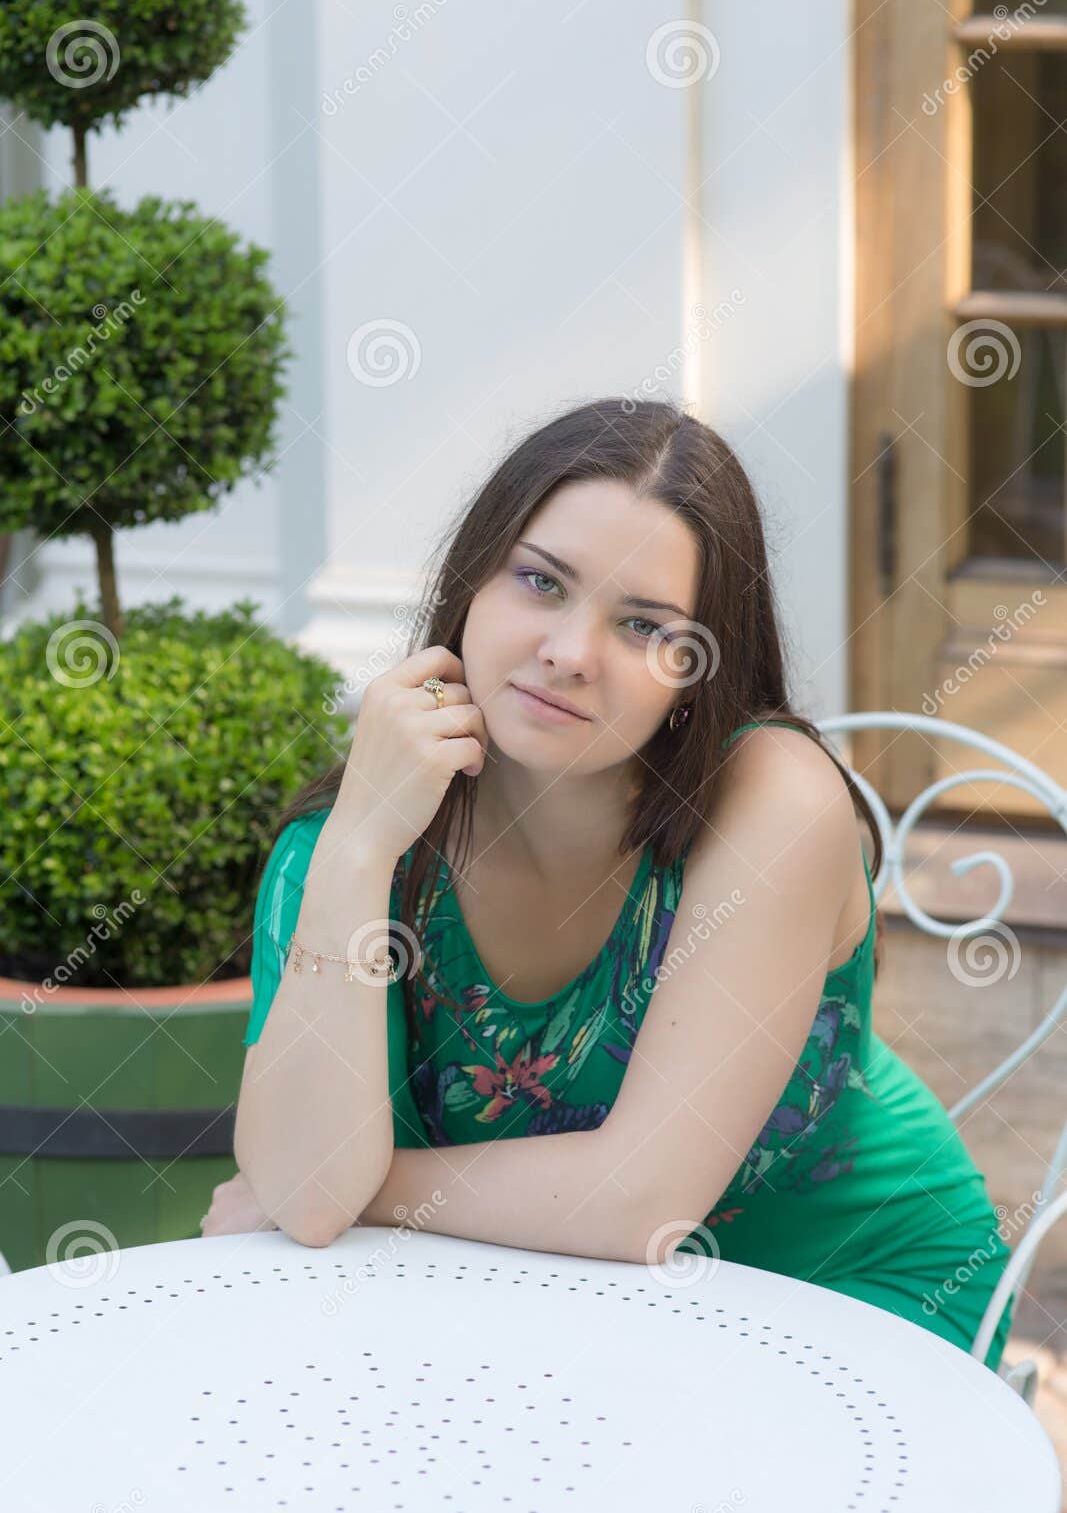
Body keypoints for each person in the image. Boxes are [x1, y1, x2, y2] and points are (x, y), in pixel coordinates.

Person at [206, 397, 1016, 1373]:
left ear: (696, 668)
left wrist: (360, 1187)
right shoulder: (350, 849)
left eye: (642, 625)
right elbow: (302, 1190)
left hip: (846, 1295)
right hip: (547, 1298)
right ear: (472, 582)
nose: (569, 653)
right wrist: (353, 847)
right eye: (540, 582)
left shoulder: (772, 800)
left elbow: (640, 1201)